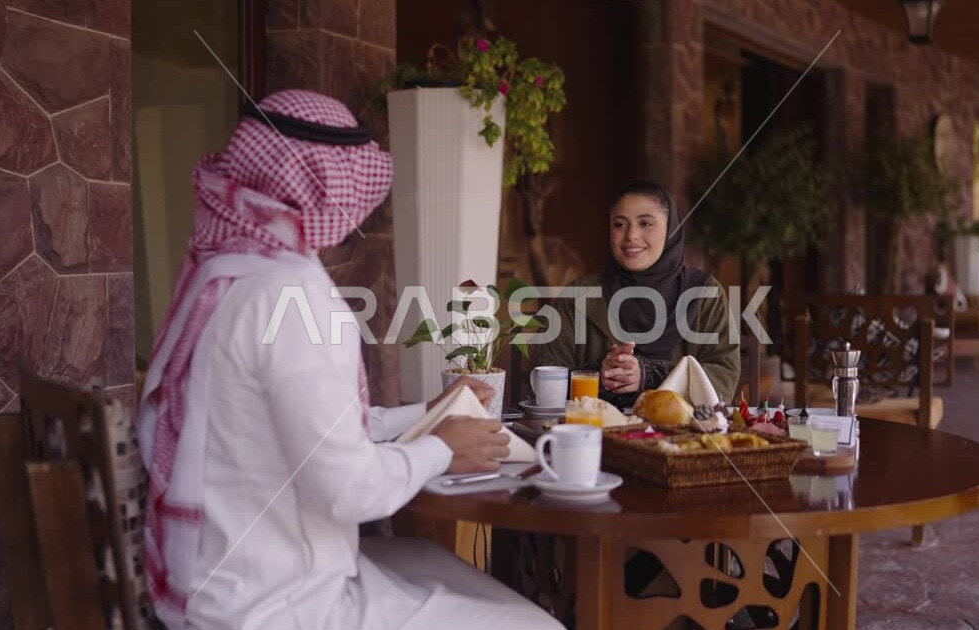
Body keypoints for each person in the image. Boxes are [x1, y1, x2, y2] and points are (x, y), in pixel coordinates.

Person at [137, 90, 563, 630]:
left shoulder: (222, 269)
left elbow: (312, 431)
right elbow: (349, 490)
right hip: (273, 605)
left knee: (442, 567)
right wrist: (440, 450)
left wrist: (427, 412)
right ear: (324, 185)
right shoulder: (287, 292)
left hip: (213, 579)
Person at [533, 181, 740, 408]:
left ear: (671, 230)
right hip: (594, 433)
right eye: (619, 224)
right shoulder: (579, 295)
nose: (631, 235)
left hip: (680, 435)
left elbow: (724, 377)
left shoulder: (704, 293)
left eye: (645, 223)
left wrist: (649, 375)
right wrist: (599, 375)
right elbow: (544, 378)